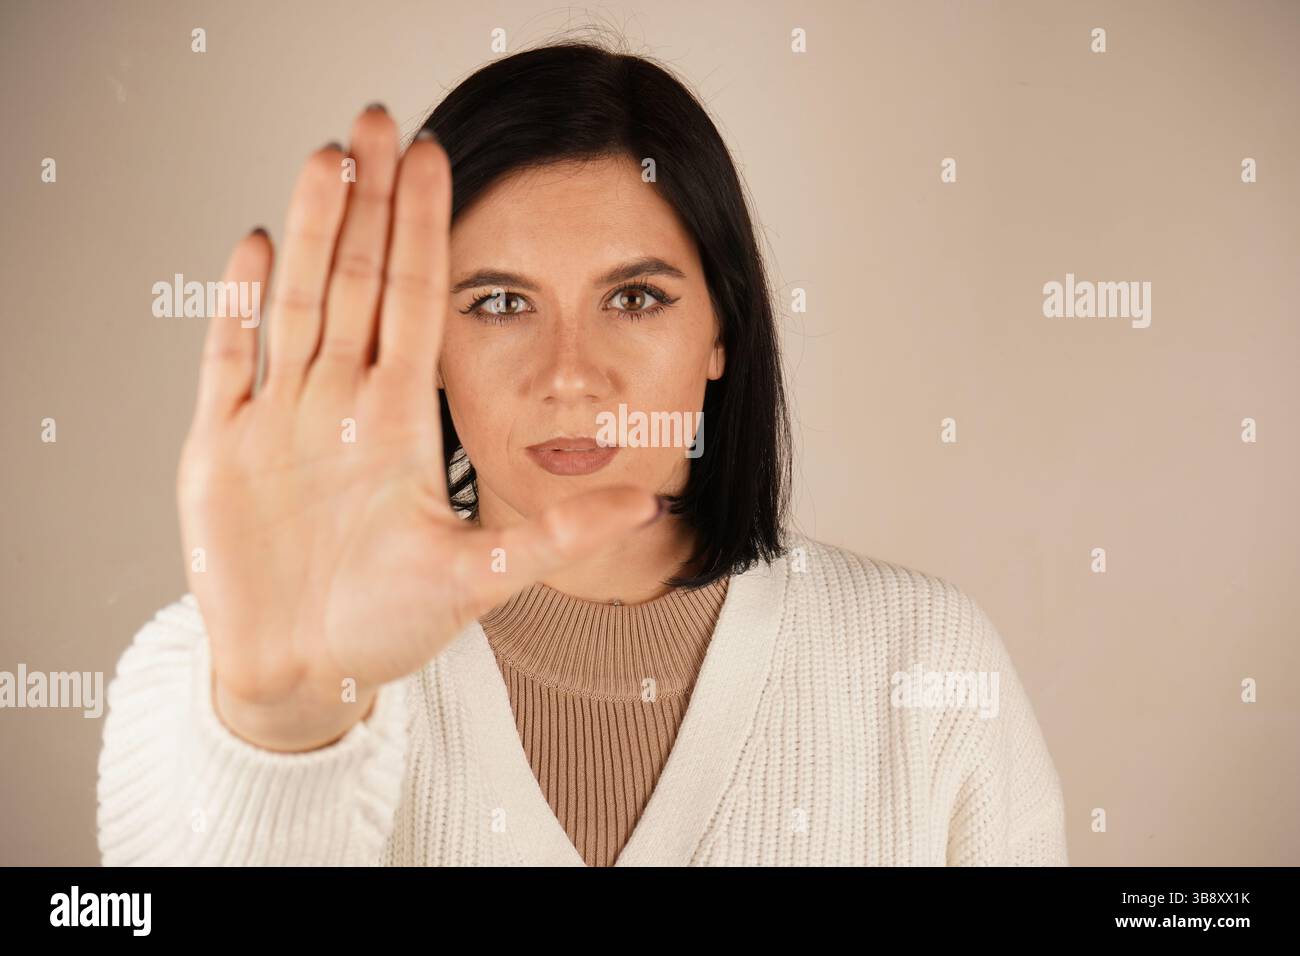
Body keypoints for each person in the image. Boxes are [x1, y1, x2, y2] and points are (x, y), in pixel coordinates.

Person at [96, 39, 1067, 866]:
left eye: (635, 297)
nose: (569, 376)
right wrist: (279, 729)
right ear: (429, 340)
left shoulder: (927, 666)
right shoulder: (253, 653)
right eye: (501, 302)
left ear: (723, 329)